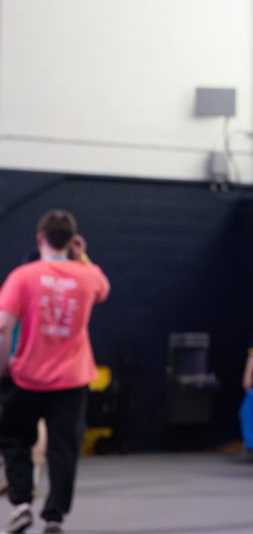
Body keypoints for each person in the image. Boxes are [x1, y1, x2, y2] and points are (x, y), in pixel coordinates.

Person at [0, 210, 110, 534]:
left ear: (40, 238)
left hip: (27, 378)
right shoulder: (88, 276)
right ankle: (54, 517)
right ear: (72, 241)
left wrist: (3, 365)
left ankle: (21, 504)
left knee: (13, 437)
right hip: (71, 381)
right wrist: (82, 256)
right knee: (63, 449)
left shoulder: (23, 276)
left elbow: (3, 325)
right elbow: (104, 289)